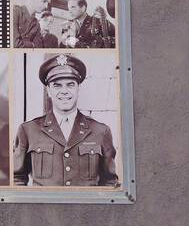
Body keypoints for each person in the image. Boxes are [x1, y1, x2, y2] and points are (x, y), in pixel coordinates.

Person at [13, 54, 118, 187]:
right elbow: (17, 179)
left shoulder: (101, 131)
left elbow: (109, 182)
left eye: (70, 85)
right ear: (49, 91)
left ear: (78, 88)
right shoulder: (28, 130)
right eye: (57, 86)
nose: (64, 91)